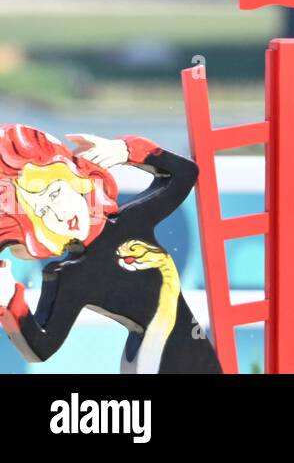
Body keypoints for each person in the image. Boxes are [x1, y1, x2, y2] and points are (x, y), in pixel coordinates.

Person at [0, 124, 222, 373]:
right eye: (41, 212)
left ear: (75, 179)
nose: (60, 213)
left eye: (55, 193)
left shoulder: (133, 219)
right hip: (148, 363)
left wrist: (126, 150)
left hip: (192, 354)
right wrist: (10, 302)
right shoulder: (70, 277)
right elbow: (40, 347)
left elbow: (185, 174)